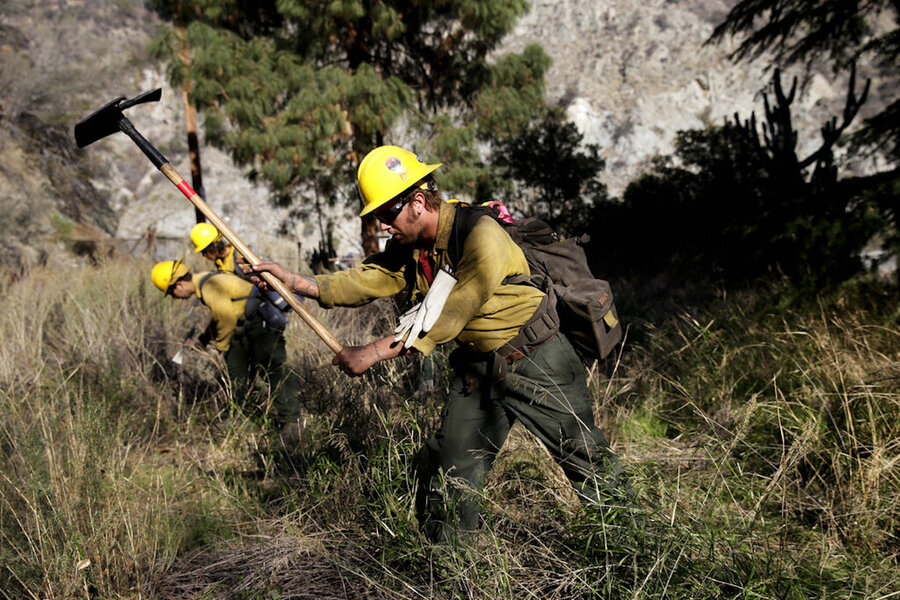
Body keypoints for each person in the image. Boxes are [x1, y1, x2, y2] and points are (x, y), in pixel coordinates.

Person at [251, 145, 629, 541]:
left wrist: (372, 352)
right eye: (378, 216)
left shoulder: (482, 236)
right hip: (479, 366)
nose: (382, 226)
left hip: (539, 357)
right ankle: (448, 566)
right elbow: (367, 278)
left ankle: (631, 542)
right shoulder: (412, 247)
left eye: (386, 214)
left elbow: (450, 312)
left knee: (585, 458)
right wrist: (295, 283)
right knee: (454, 468)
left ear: (417, 202)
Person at [150, 259, 303, 443]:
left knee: (273, 370)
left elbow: (226, 317)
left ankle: (293, 422)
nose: (175, 297)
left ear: (179, 285)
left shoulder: (208, 286)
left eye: (172, 292)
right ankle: (246, 419)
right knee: (237, 373)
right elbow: (221, 315)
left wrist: (220, 347)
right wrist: (205, 339)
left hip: (258, 325)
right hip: (246, 327)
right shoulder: (206, 281)